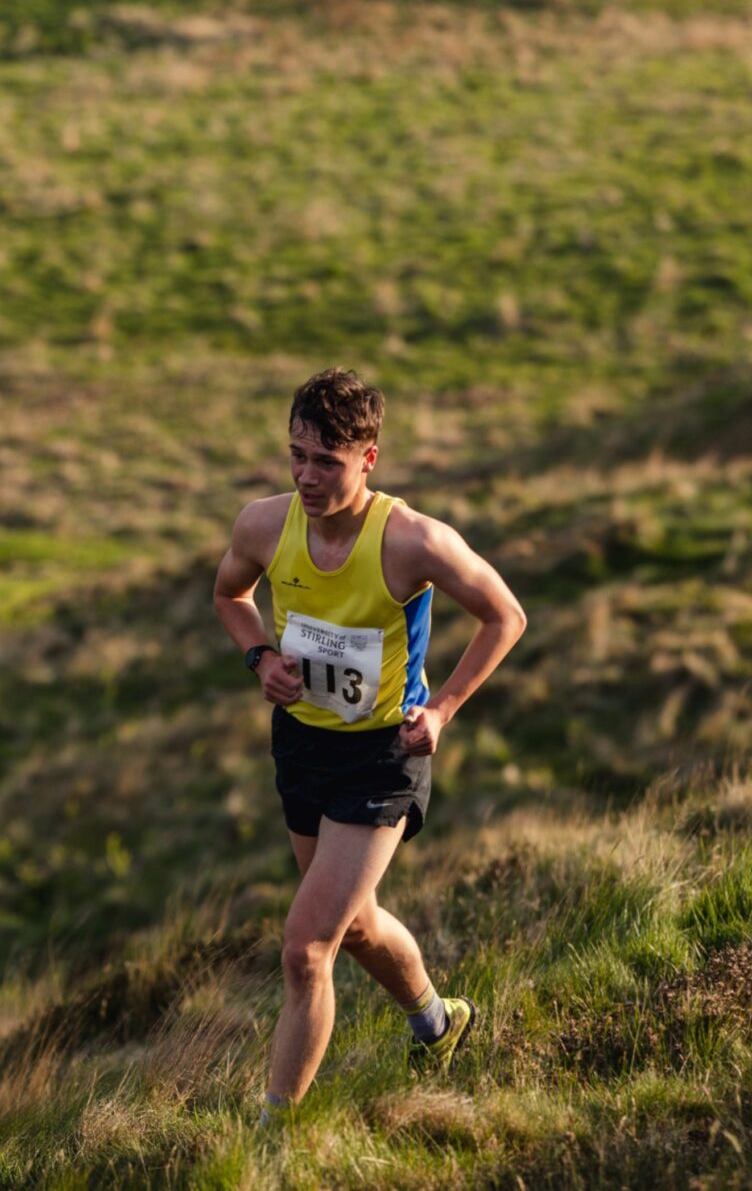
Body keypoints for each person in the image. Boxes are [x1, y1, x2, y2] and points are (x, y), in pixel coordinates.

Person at [211, 366, 528, 1126]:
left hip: (384, 755)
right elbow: (230, 595)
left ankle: (272, 1137)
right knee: (350, 925)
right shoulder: (263, 524)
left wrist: (444, 710)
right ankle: (438, 1022)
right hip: (303, 746)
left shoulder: (412, 539)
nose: (308, 476)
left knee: (304, 949)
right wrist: (261, 657)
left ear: (369, 458)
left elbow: (505, 615)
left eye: (328, 461)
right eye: (297, 455)